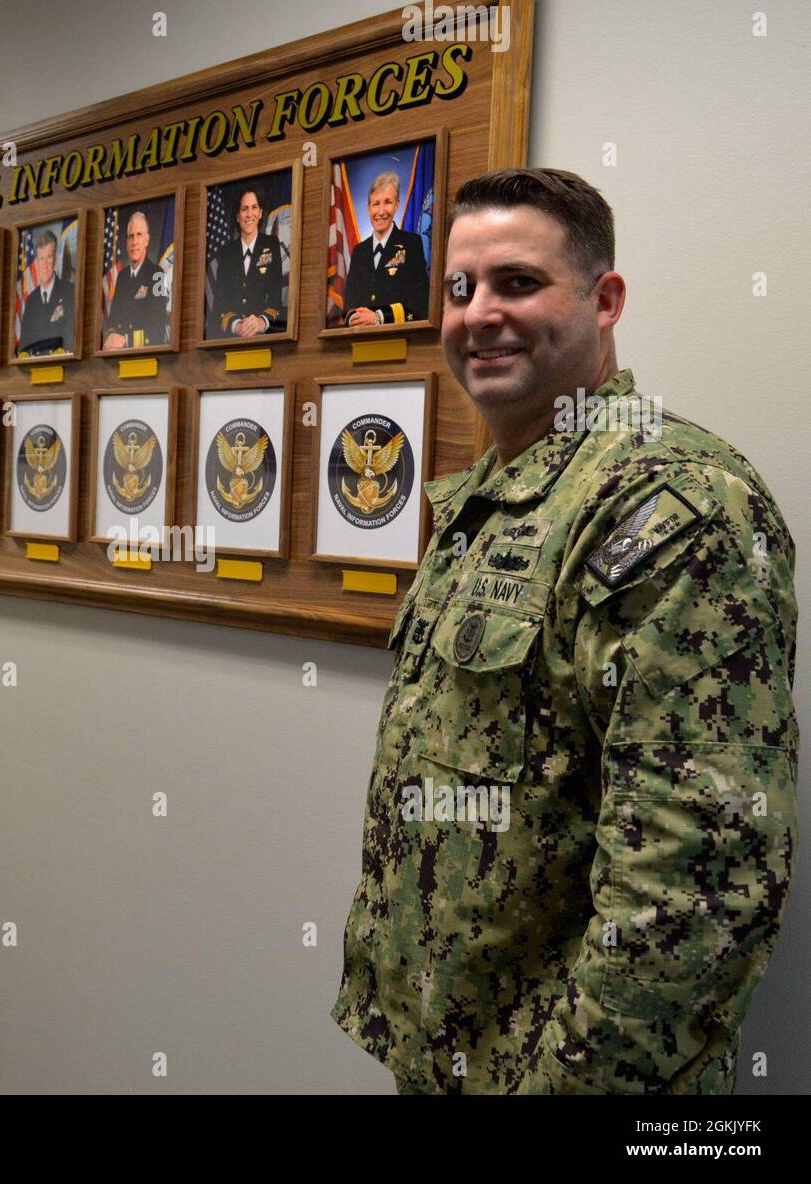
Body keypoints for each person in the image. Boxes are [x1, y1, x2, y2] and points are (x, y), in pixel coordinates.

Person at [330, 168, 798, 1095]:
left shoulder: (673, 503)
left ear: (605, 300)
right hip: (449, 1054)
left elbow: (696, 885)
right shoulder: (493, 499)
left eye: (518, 282)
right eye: (460, 288)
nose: (479, 314)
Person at [342, 171, 429, 327]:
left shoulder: (411, 244)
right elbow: (349, 304)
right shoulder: (359, 251)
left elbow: (419, 301)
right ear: (368, 208)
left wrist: (379, 318)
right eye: (376, 204)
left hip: (399, 336)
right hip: (360, 337)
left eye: (388, 202)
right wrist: (355, 318)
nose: (381, 212)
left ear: (396, 205)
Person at [205, 184, 286, 339]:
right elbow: (220, 304)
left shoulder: (271, 245)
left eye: (254, 207)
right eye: (244, 209)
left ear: (260, 213)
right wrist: (236, 325)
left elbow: (275, 299)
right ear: (237, 216)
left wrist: (262, 321)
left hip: (264, 337)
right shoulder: (227, 252)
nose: (249, 214)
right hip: (232, 338)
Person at [102, 210, 169, 349]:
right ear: (126, 243)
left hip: (144, 354)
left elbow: (158, 330)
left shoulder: (157, 275)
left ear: (147, 240)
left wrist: (126, 340)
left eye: (139, 235)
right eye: (131, 236)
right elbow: (113, 321)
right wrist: (111, 336)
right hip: (118, 354)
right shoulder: (122, 276)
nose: (134, 242)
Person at [17, 229, 75, 356]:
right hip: (35, 365)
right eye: (41, 259)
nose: (45, 265)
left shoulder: (70, 292)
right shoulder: (31, 301)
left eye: (49, 257)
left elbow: (71, 338)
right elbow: (24, 345)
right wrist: (23, 355)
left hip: (62, 364)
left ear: (55, 259)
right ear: (36, 263)